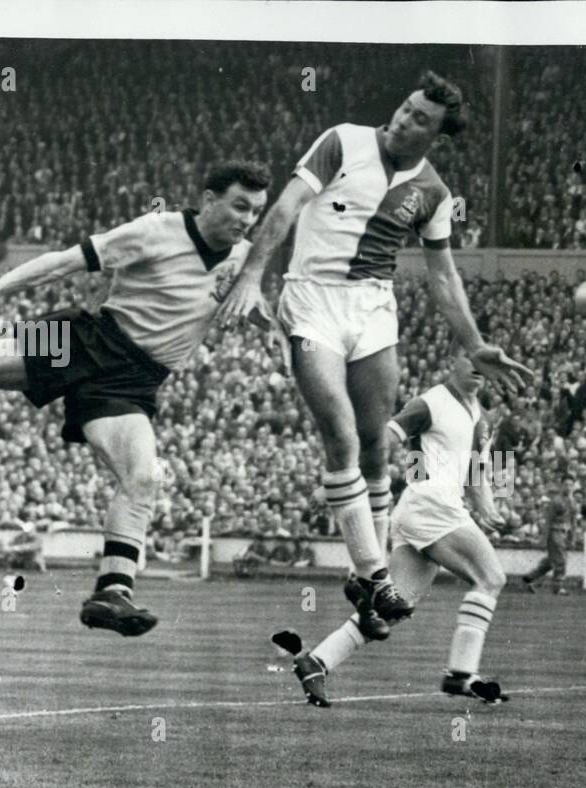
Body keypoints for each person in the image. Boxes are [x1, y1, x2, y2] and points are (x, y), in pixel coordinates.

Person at [0, 162, 271, 636]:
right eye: (239, 205)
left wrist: (278, 326)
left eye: (256, 210)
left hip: (132, 383)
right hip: (83, 341)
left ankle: (113, 592)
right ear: (210, 200)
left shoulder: (247, 258)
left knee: (144, 476)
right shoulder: (156, 232)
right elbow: (66, 260)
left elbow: (254, 309)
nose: (247, 218)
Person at [215, 70, 530, 640]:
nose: (405, 120)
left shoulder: (433, 193)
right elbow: (285, 209)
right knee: (337, 430)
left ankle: (370, 584)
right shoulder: (341, 140)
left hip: (373, 308)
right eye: (407, 108)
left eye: (420, 120)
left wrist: (474, 342)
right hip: (311, 298)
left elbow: (442, 274)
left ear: (436, 134)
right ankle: (373, 574)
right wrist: (253, 275)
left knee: (375, 446)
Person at [275, 355, 508, 708]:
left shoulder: (479, 415)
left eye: (482, 360)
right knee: (491, 577)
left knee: (395, 609)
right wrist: (336, 486)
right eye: (469, 356)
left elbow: (476, 473)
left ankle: (315, 662)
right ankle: (460, 675)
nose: (477, 366)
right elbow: (381, 441)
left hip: (425, 508)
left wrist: (488, 506)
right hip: (431, 504)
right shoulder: (430, 403)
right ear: (452, 360)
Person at [522, 472, 577, 595]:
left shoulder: (573, 502)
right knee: (561, 560)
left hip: (564, 533)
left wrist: (572, 538)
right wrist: (543, 539)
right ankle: (558, 586)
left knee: (552, 560)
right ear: (561, 485)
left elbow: (573, 522)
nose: (568, 487)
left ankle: (531, 578)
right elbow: (548, 521)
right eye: (566, 484)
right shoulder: (556, 501)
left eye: (570, 485)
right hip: (555, 532)